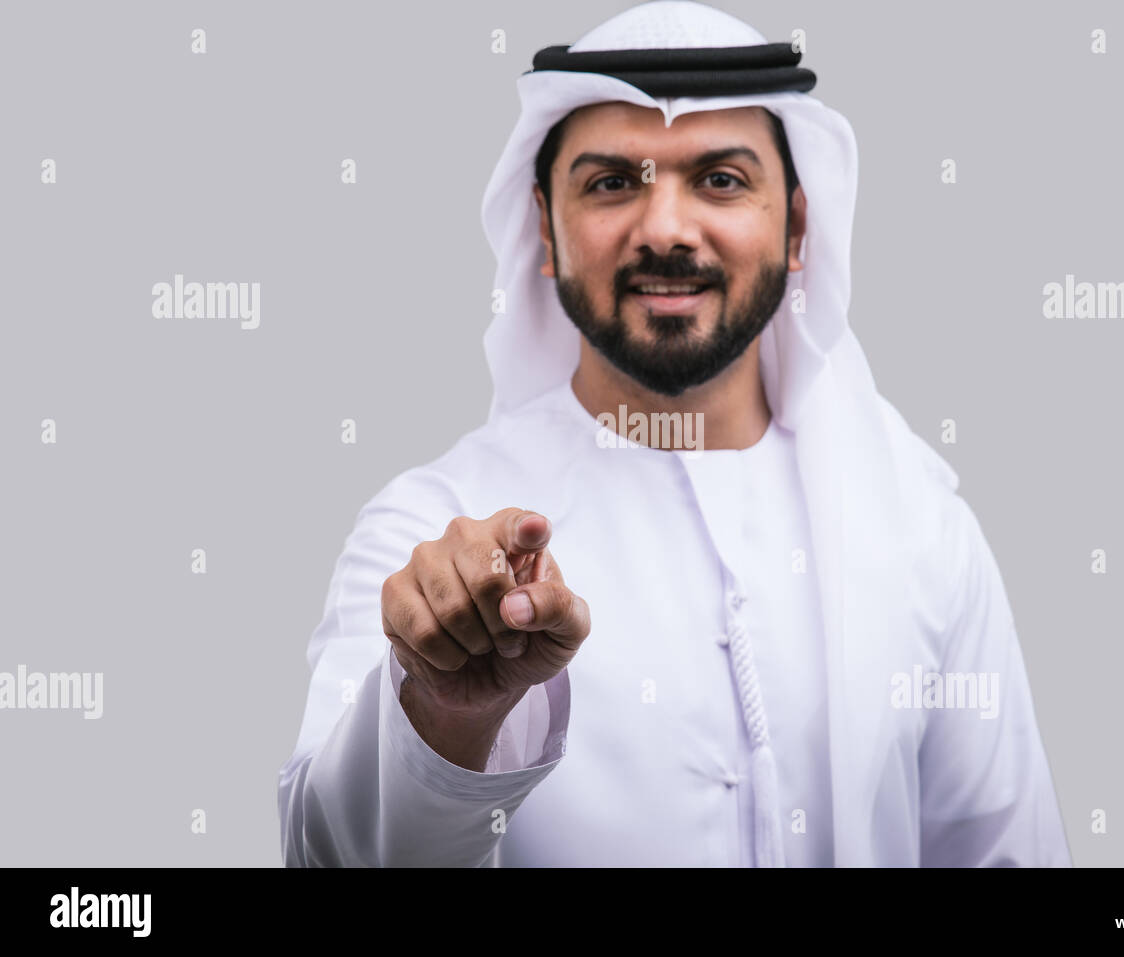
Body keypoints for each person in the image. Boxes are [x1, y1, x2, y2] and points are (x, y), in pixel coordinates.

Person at [277, 0, 1072, 867]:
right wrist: (446, 712)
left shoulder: (919, 524)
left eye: (721, 179)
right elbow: (329, 856)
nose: (664, 229)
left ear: (797, 226)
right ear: (545, 228)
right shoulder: (431, 532)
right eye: (612, 182)